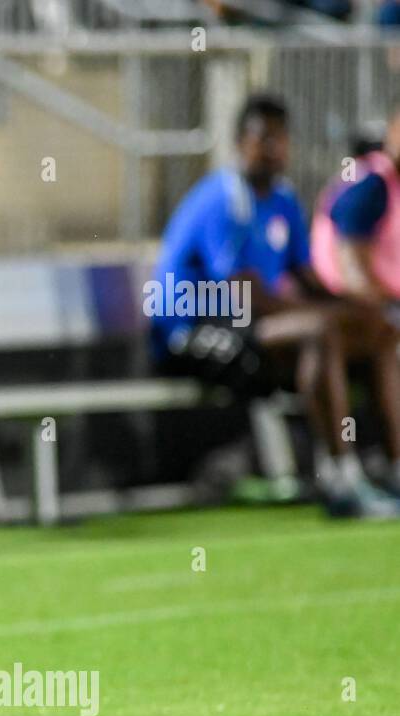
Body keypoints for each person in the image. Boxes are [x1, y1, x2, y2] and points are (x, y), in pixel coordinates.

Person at [150, 93, 400, 518]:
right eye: (262, 138)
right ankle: (341, 480)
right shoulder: (224, 198)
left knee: (380, 333)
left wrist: (357, 312)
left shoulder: (282, 198)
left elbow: (306, 278)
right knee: (322, 332)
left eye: (280, 139)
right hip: (193, 333)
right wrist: (327, 317)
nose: (273, 149)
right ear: (238, 143)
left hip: (248, 330)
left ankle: (395, 470)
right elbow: (241, 295)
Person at [310, 109, 400, 496]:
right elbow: (350, 273)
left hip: (364, 312)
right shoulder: (372, 184)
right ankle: (357, 473)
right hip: (344, 310)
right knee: (389, 336)